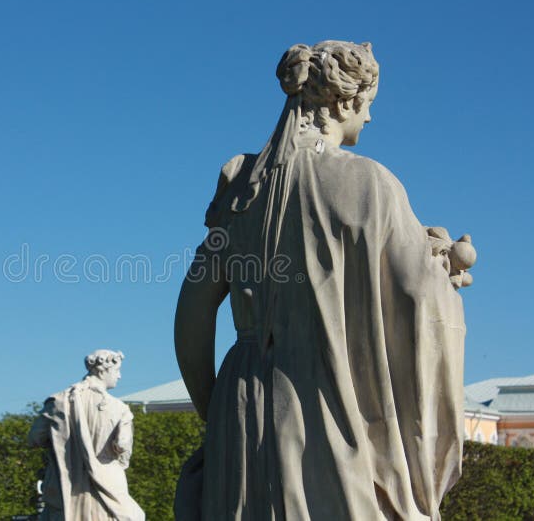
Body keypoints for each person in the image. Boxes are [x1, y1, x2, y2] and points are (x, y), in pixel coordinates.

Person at [174, 41, 474, 520]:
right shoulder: (371, 185)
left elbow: (192, 312)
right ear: (347, 101)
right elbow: (417, 302)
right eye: (369, 107)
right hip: (326, 396)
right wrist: (444, 272)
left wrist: (216, 415)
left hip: (241, 400)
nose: (369, 120)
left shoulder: (240, 184)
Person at [29, 350, 145, 521]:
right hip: (108, 491)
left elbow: (34, 439)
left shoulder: (58, 402)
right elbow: (122, 447)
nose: (119, 376)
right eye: (117, 370)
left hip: (65, 491)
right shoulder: (120, 409)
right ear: (103, 370)